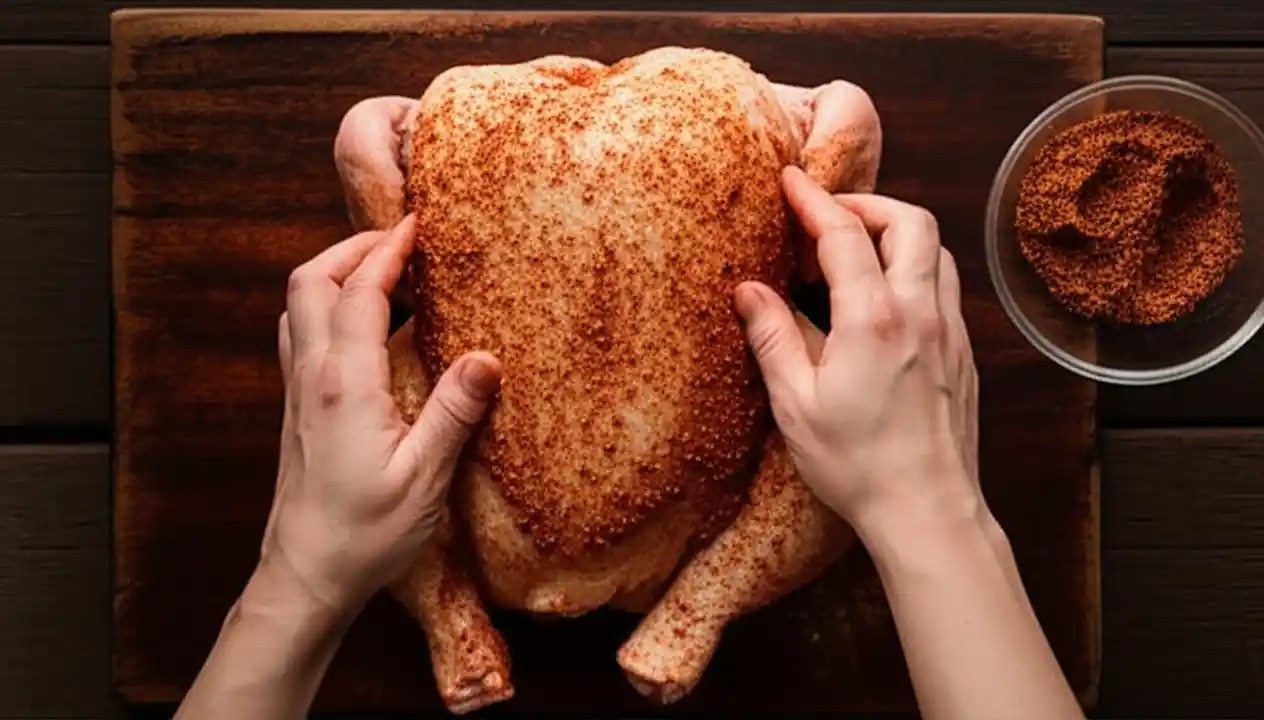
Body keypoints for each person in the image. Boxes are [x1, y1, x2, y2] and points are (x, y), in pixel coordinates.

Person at [173, 167, 1085, 720]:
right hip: (500, 465)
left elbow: (375, 189)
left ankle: (697, 610)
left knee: (373, 367)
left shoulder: (451, 105)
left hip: (606, 452)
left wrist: (297, 575)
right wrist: (936, 510)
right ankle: (462, 623)